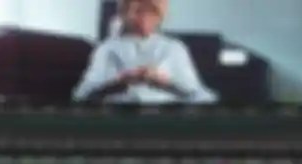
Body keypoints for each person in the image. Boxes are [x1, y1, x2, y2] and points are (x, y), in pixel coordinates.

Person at [73, 0, 218, 105]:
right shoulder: (107, 49)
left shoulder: (174, 49)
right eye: (138, 11)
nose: (144, 18)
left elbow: (203, 98)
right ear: (125, 13)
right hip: (117, 122)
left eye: (151, 12)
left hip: (165, 123)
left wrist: (167, 83)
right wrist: (118, 81)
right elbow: (81, 96)